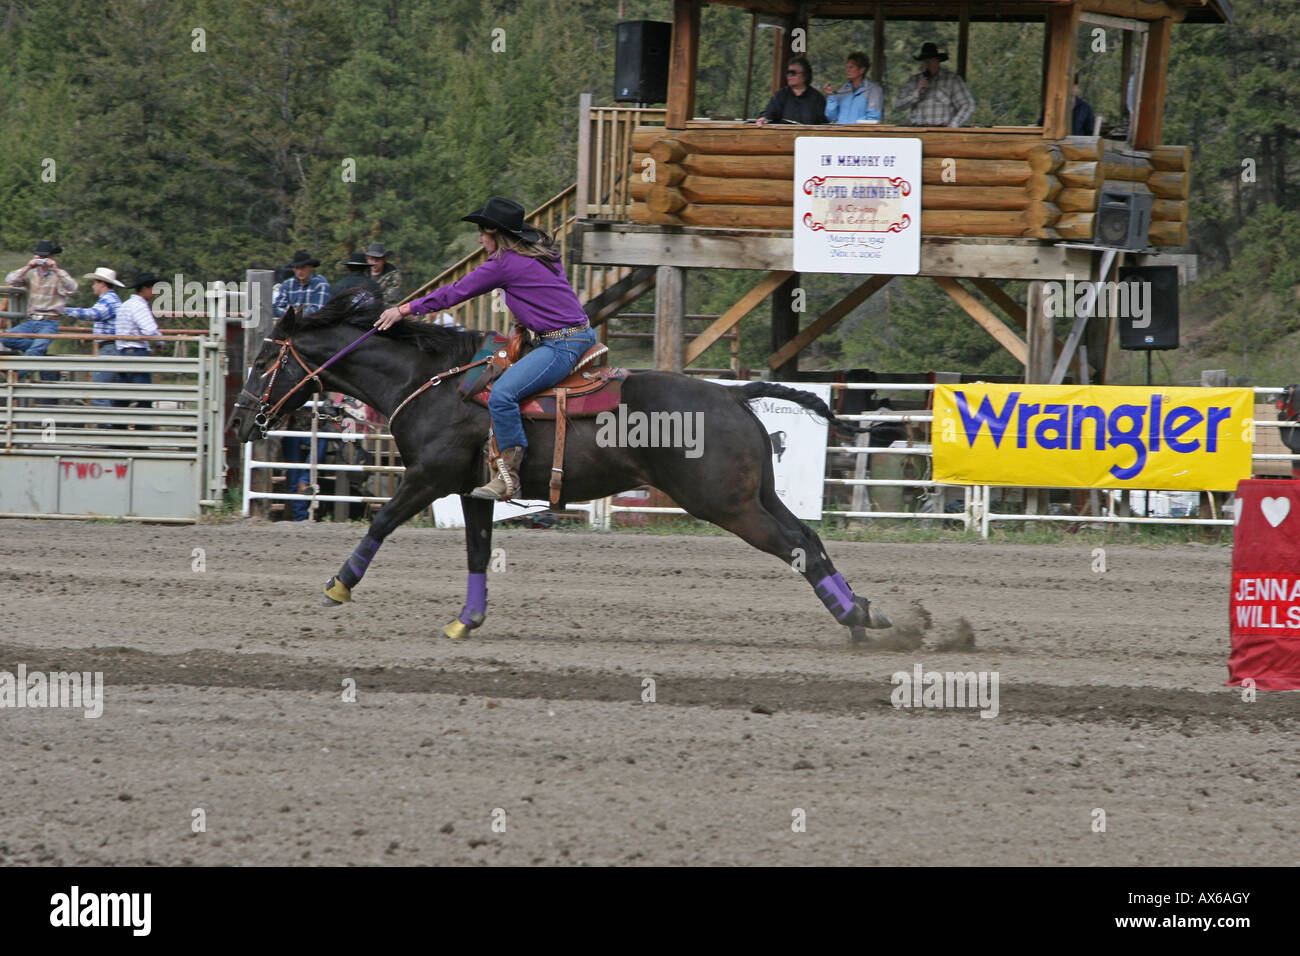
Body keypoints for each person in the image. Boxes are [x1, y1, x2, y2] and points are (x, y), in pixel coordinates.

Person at [374, 197, 596, 501]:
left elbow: (455, 292)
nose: (480, 238)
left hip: (561, 344)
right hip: (569, 336)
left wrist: (404, 309)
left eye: (483, 232)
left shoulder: (504, 264)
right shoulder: (539, 254)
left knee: (503, 394)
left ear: (497, 234)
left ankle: (508, 476)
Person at [1, 239, 77, 359]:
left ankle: (14, 374)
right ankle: (37, 348)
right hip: (32, 320)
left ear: (52, 257)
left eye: (45, 257)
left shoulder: (59, 274)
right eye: (40, 256)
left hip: (49, 320)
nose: (43, 260)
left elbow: (72, 287)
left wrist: (55, 269)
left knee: (35, 350)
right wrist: (28, 267)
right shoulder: (30, 273)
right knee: (6, 339)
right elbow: (10, 279)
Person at [63, 267, 124, 409]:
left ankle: (106, 428)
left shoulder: (108, 300)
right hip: (112, 347)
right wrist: (93, 337)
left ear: (101, 283)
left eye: (94, 283)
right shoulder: (112, 300)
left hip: (109, 349)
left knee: (98, 393)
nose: (93, 286)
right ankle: (114, 428)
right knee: (109, 394)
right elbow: (109, 325)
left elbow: (94, 314)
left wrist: (65, 310)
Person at [894, 42, 975, 128]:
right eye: (924, 61)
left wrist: (953, 125)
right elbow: (898, 105)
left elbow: (968, 104)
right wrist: (917, 92)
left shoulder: (952, 80)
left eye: (930, 61)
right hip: (917, 130)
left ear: (938, 62)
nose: (927, 65)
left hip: (942, 131)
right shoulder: (914, 81)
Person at [114, 271, 162, 417]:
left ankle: (116, 428)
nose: (154, 293)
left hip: (123, 352)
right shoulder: (139, 306)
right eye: (153, 288)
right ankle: (144, 431)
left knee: (122, 397)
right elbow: (149, 330)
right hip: (137, 352)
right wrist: (160, 342)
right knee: (144, 397)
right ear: (145, 289)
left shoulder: (126, 305)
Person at [755, 56, 826, 126]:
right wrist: (764, 118)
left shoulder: (817, 98)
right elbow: (769, 112)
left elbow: (824, 122)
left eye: (793, 73)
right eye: (788, 72)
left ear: (805, 75)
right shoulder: (780, 95)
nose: (789, 75)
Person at [822, 51, 884, 124]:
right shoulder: (843, 90)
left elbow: (873, 119)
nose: (847, 70)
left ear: (862, 70)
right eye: (847, 67)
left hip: (859, 134)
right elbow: (831, 117)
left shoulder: (873, 90)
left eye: (851, 67)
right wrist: (831, 96)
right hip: (840, 133)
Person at [272, 250, 330, 317]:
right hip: (290, 324)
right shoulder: (287, 284)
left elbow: (319, 310)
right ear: (293, 269)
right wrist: (295, 313)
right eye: (297, 268)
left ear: (311, 267)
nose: (300, 272)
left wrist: (294, 313)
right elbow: (277, 307)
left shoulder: (320, 284)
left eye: (303, 268)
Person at [365, 242, 403, 306]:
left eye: (377, 260)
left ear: (384, 260)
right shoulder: (363, 274)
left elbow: (392, 298)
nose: (374, 263)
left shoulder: (393, 277)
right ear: (367, 259)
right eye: (371, 259)